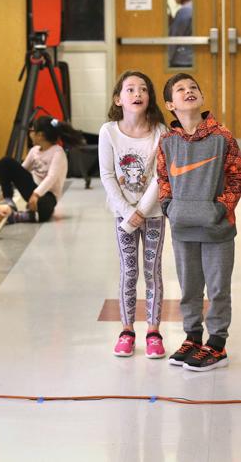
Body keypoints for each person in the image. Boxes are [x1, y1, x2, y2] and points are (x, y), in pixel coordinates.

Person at [158, 72, 241, 371]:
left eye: (193, 87)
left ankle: (217, 343)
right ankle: (192, 337)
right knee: (189, 286)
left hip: (217, 228)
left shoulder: (222, 136)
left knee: (218, 287)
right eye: (180, 90)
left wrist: (220, 209)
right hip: (183, 228)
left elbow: (239, 175)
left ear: (201, 97)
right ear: (170, 104)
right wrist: (169, 206)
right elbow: (162, 178)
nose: (189, 91)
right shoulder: (167, 142)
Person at [99, 71, 168, 358]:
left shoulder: (160, 131)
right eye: (130, 90)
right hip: (122, 216)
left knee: (152, 271)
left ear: (149, 97)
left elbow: (160, 175)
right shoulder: (109, 131)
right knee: (129, 271)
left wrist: (141, 211)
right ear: (119, 99)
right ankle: (127, 330)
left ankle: (153, 331)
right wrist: (128, 212)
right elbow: (107, 175)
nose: (137, 94)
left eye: (143, 89)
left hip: (152, 214)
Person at [0, 116, 83, 223]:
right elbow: (21, 170)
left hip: (48, 194)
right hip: (33, 188)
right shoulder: (34, 151)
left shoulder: (58, 153)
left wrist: (36, 194)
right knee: (6, 162)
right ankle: (8, 202)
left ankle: (24, 216)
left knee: (44, 207)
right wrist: (6, 189)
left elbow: (51, 178)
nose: (30, 133)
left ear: (40, 135)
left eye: (32, 130)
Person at [168, 0, 193, 68]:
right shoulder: (194, 8)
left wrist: (166, 60)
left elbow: (174, 39)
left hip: (181, 61)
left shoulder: (184, 11)